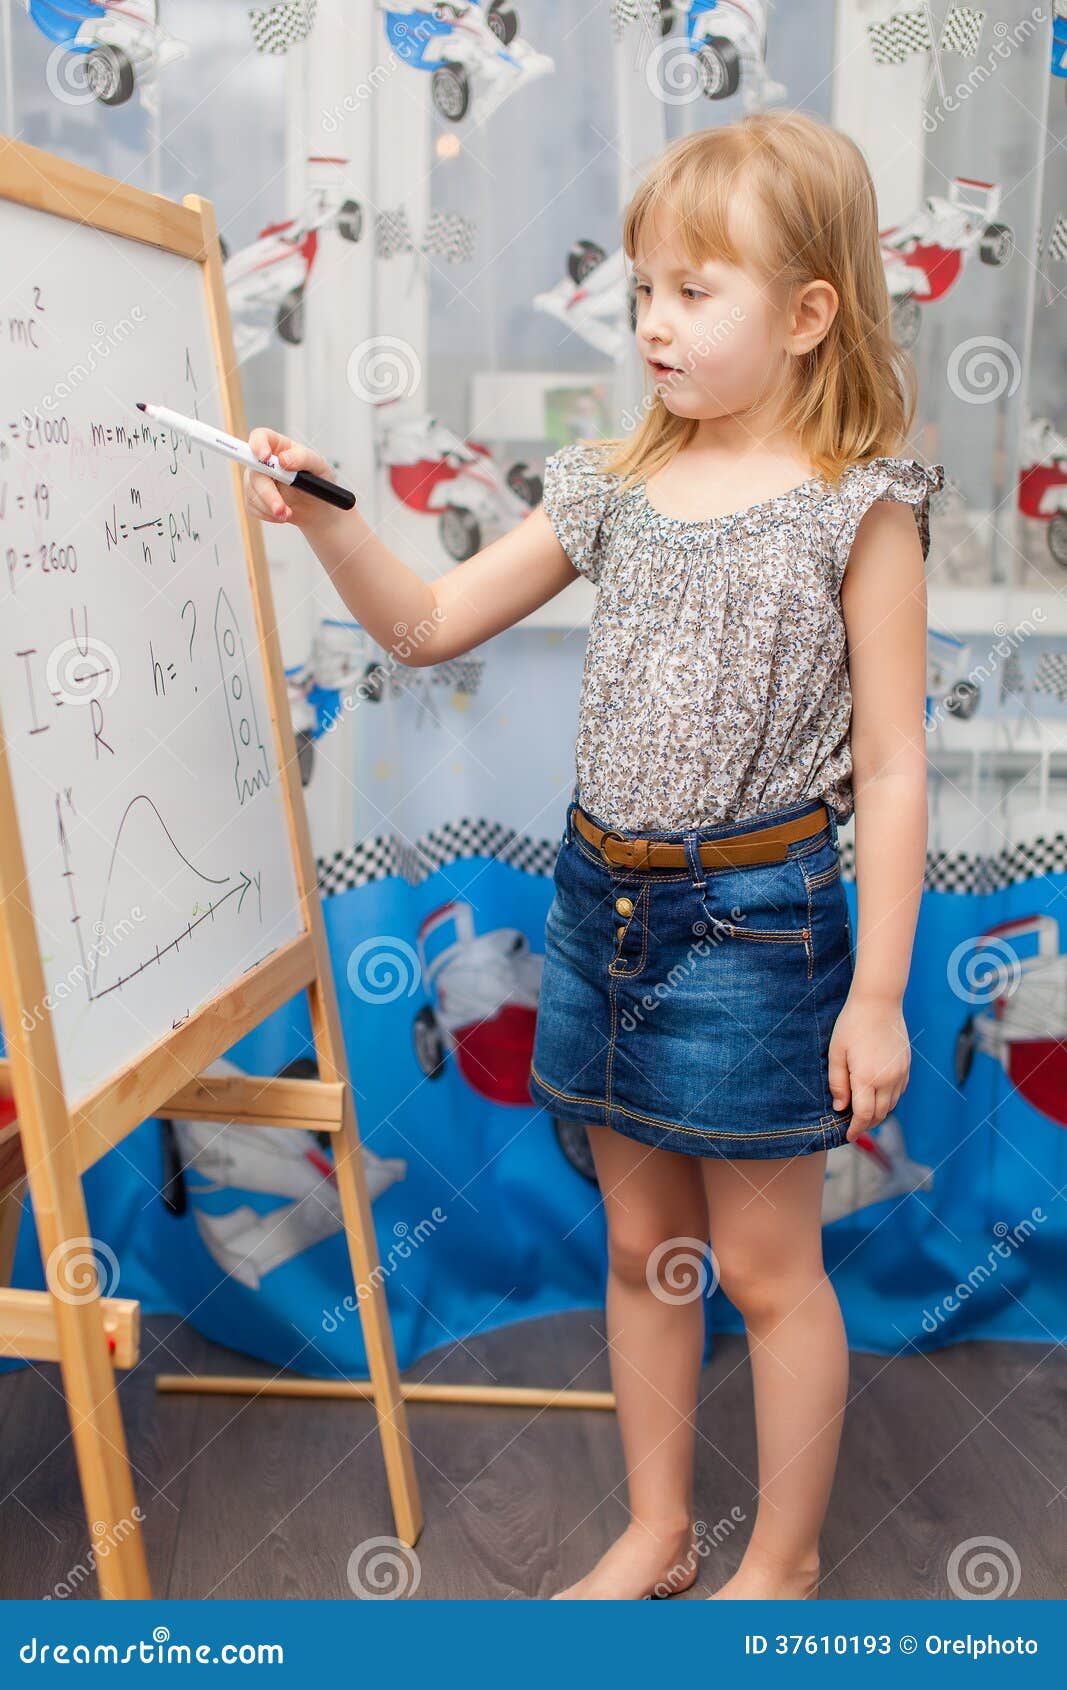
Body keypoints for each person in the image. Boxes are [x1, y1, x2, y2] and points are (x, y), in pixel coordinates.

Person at [244, 109, 943, 1603]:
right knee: (642, 1248)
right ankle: (655, 1528)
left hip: (762, 926)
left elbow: (890, 765)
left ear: (811, 313)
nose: (652, 324)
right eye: (641, 291)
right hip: (601, 909)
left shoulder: (857, 501)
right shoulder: (610, 485)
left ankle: (787, 1558)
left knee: (765, 1269)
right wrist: (317, 518)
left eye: (695, 292)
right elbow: (424, 625)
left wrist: (875, 992)